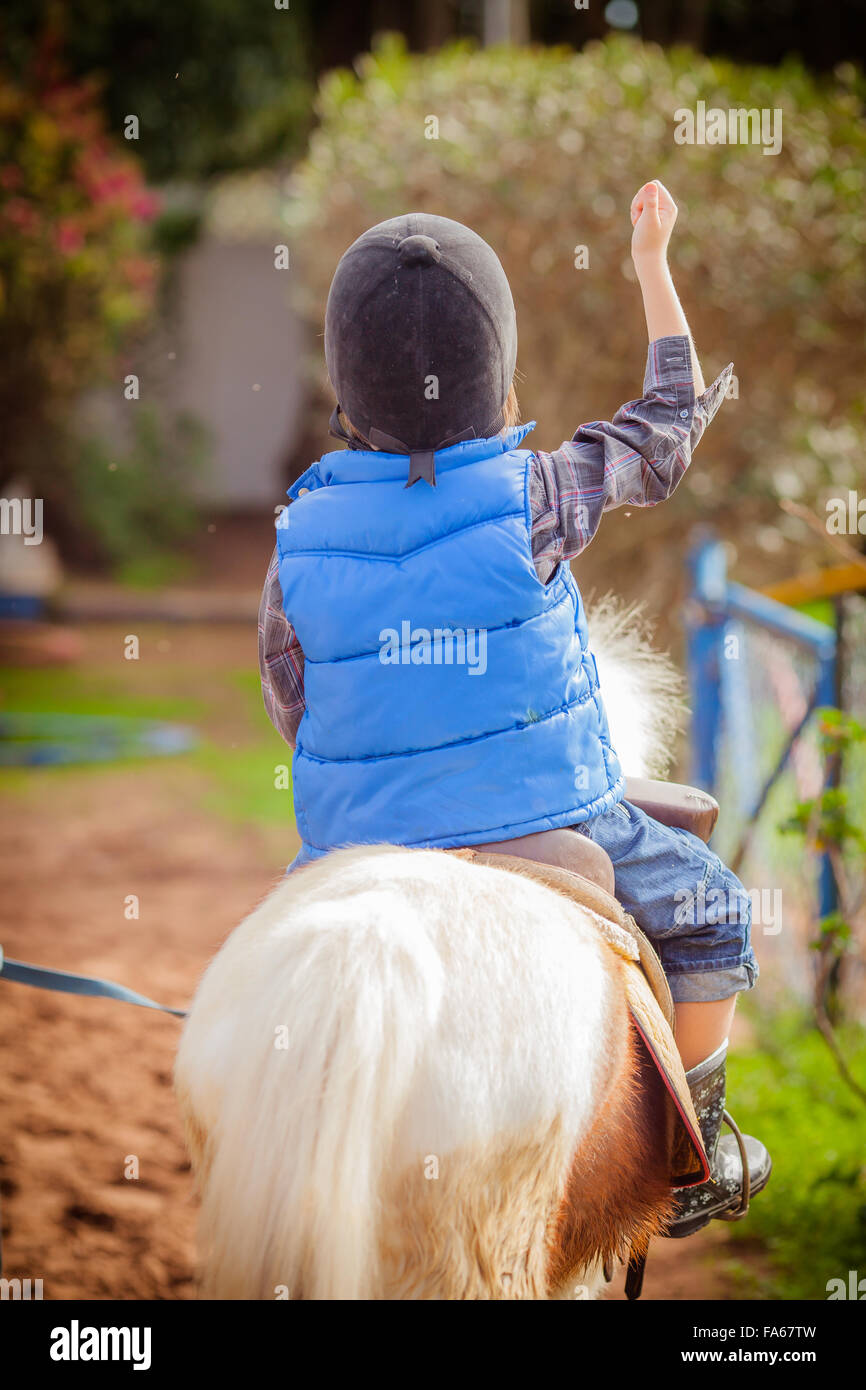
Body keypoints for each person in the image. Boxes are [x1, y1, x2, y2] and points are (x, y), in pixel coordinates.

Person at [258, 183, 770, 1233]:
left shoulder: (298, 536)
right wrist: (648, 264)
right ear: (493, 370)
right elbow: (665, 432)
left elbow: (294, 700)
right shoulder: (537, 495)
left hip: (355, 840)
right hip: (552, 818)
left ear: (345, 388)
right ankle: (698, 1149)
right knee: (713, 907)